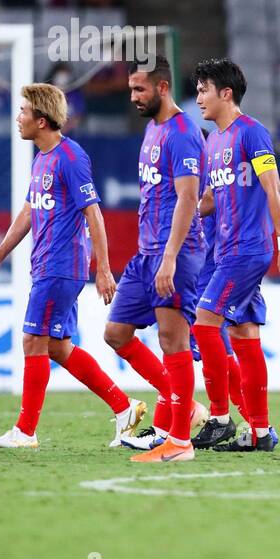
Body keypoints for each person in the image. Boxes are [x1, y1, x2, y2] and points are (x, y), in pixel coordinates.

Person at [0, 84, 144, 450]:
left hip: (60, 266)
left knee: (33, 340)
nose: (18, 118)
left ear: (41, 120)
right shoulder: (41, 159)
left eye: (23, 112)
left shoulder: (70, 157)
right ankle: (124, 408)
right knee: (56, 346)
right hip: (48, 266)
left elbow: (94, 212)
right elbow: (28, 213)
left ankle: (25, 431)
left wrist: (104, 269)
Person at [187, 58, 280, 455]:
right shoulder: (213, 142)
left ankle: (219, 417)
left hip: (247, 249)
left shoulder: (252, 133)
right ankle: (260, 431)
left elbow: (274, 188)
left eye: (204, 90)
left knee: (204, 322)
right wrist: (181, 218)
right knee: (245, 336)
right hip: (225, 251)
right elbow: (210, 198)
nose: (198, 98)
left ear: (226, 93)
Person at [97, 56, 208, 460]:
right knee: (116, 333)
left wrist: (170, 257)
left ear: (162, 87)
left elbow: (188, 197)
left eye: (139, 89)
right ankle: (185, 407)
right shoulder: (152, 129)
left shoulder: (183, 133)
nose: (133, 96)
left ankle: (179, 441)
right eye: (131, 89)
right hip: (146, 254)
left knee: (172, 341)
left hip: (175, 253)